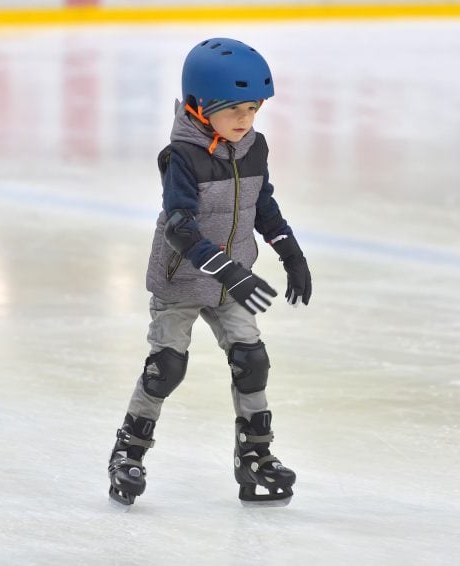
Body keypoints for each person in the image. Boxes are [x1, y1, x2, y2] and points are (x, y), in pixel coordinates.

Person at [107, 38, 312, 507]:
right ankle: (127, 453)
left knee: (252, 361)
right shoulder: (182, 156)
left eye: (253, 108)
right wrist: (230, 272)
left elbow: (265, 206)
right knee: (166, 369)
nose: (245, 120)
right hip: (183, 279)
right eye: (232, 109)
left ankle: (256, 457)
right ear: (200, 107)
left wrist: (291, 254)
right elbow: (180, 227)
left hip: (230, 282)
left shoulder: (253, 148)